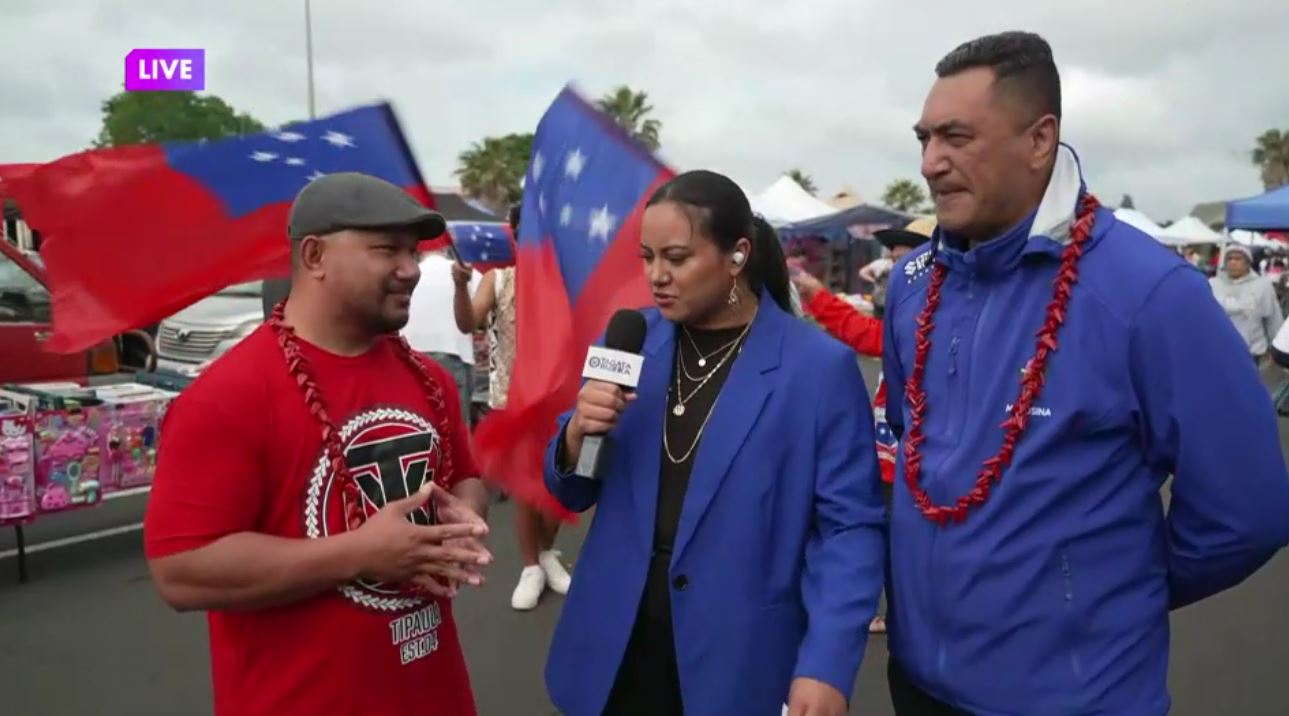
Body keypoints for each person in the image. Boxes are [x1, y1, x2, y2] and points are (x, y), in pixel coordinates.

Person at [882, 32, 1289, 716]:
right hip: (917, 682)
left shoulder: (1148, 291)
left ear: (1039, 140)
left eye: (955, 137)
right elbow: (908, 436)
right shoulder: (911, 286)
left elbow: (1244, 512)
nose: (930, 163)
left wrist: (1106, 589)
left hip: (1073, 696)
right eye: (923, 138)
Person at [144, 172, 493, 716]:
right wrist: (361, 553)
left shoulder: (431, 378)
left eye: (412, 251)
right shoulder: (227, 397)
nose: (410, 270)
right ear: (314, 257)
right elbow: (182, 570)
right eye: (386, 250)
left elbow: (466, 479)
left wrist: (458, 525)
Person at [543, 169, 886, 716]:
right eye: (647, 257)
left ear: (737, 255)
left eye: (676, 258)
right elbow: (573, 487)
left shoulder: (818, 369)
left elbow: (849, 528)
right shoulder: (630, 338)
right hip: (612, 647)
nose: (657, 276)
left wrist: (825, 663)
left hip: (735, 657)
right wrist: (575, 434)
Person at [790, 217, 935, 635]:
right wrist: (818, 297)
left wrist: (819, 297)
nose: (896, 271)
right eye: (892, 262)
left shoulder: (948, 323)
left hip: (923, 462)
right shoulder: (903, 321)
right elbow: (866, 335)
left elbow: (866, 335)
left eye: (907, 259)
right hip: (887, 454)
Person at [454, 204, 571, 610]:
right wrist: (459, 286)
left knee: (558, 488)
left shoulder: (566, 283)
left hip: (558, 400)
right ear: (516, 237)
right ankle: (530, 567)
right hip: (512, 399)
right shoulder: (498, 279)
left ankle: (546, 554)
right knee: (525, 487)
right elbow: (469, 323)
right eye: (527, 233)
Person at [403, 245, 481, 421]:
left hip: (409, 360)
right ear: (447, 251)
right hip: (455, 358)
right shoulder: (465, 272)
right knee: (456, 429)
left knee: (417, 426)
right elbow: (484, 315)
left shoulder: (407, 274)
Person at [1210, 242, 1283, 364]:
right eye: (1229, 259)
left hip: (1252, 353)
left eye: (1238, 259)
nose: (1233, 262)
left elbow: (1273, 319)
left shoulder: (1262, 285)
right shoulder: (1213, 284)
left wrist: (1276, 348)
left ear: (1248, 263)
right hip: (1219, 351)